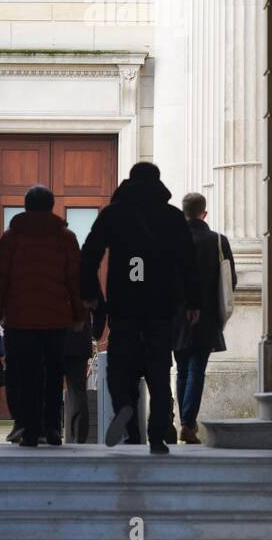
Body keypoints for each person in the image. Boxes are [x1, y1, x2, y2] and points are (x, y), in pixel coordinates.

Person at [80, 162, 199, 456]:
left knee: (122, 371)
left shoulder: (114, 215)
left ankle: (128, 419)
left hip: (124, 307)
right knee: (159, 372)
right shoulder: (172, 216)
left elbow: (89, 255)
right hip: (161, 307)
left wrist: (92, 295)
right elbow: (189, 263)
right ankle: (157, 435)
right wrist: (193, 302)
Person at [0, 185, 87, 449]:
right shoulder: (66, 238)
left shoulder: (10, 238)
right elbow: (74, 280)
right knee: (54, 374)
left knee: (22, 374)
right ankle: (53, 427)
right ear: (51, 205)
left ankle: (27, 427)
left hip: (19, 320)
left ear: (26, 206)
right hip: (56, 319)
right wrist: (80, 315)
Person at [175, 192, 236, 443]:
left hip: (176, 317)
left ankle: (184, 421)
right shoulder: (218, 241)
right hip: (207, 315)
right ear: (204, 213)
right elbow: (230, 280)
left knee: (182, 370)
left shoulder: (172, 241)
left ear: (183, 212)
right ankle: (188, 423)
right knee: (197, 368)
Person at [63, 292, 107, 443]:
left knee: (48, 389)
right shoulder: (84, 274)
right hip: (78, 337)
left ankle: (50, 431)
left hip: (52, 335)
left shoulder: (49, 268)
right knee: (78, 392)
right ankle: (79, 437)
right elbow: (100, 306)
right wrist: (96, 333)